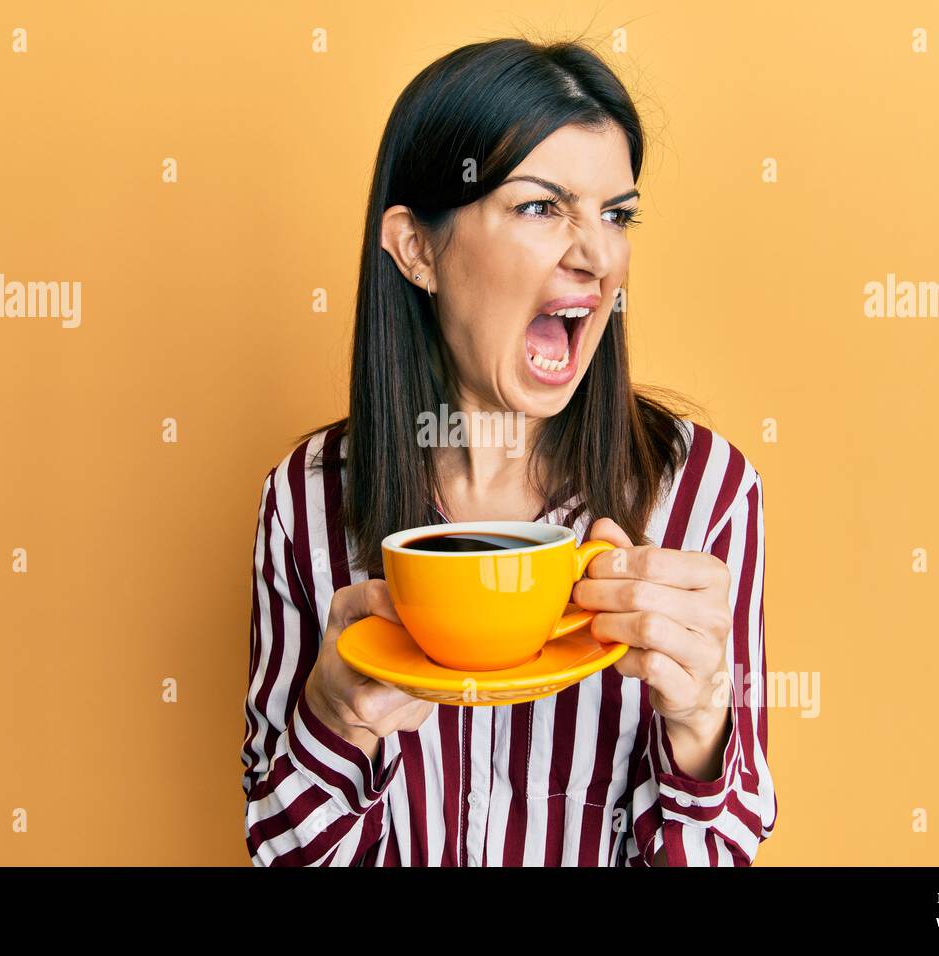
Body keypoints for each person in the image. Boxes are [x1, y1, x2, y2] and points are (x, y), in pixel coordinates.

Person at [242, 36, 775, 866]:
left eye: (616, 214)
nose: (597, 256)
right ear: (418, 248)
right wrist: (331, 719)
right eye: (539, 207)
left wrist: (703, 718)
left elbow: (713, 854)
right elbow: (280, 849)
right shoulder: (306, 500)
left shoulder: (706, 494)